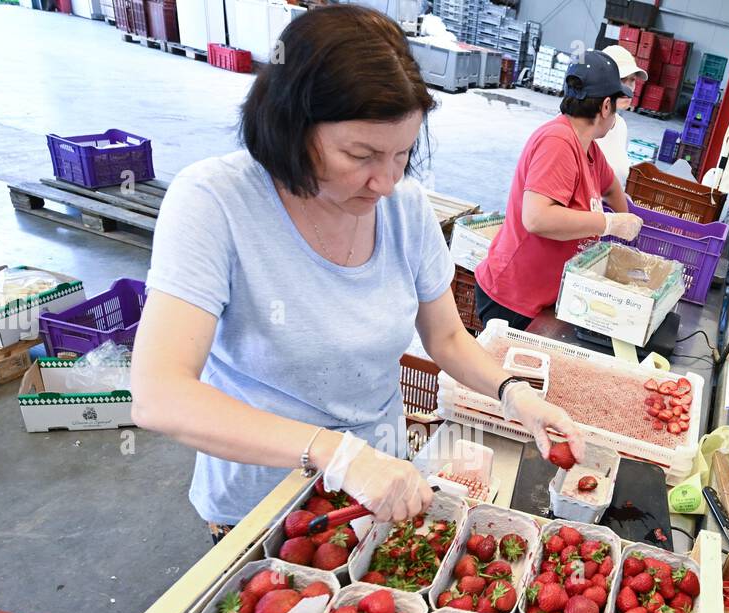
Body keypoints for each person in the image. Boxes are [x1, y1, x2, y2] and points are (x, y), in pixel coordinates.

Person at [129, 5, 583, 539]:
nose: (385, 182)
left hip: (385, 490)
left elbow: (446, 338)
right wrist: (335, 453)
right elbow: (159, 394)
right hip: (265, 508)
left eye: (402, 154)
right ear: (290, 126)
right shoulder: (215, 203)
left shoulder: (405, 208)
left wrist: (515, 396)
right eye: (361, 155)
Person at [473, 50, 645, 331]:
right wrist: (609, 223)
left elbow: (611, 185)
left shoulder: (587, 147)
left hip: (545, 296)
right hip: (514, 298)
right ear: (605, 107)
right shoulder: (558, 142)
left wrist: (624, 235)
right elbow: (537, 218)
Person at [596, 44, 646, 190]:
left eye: (632, 80)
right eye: (622, 79)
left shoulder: (620, 126)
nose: (628, 87)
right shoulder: (584, 124)